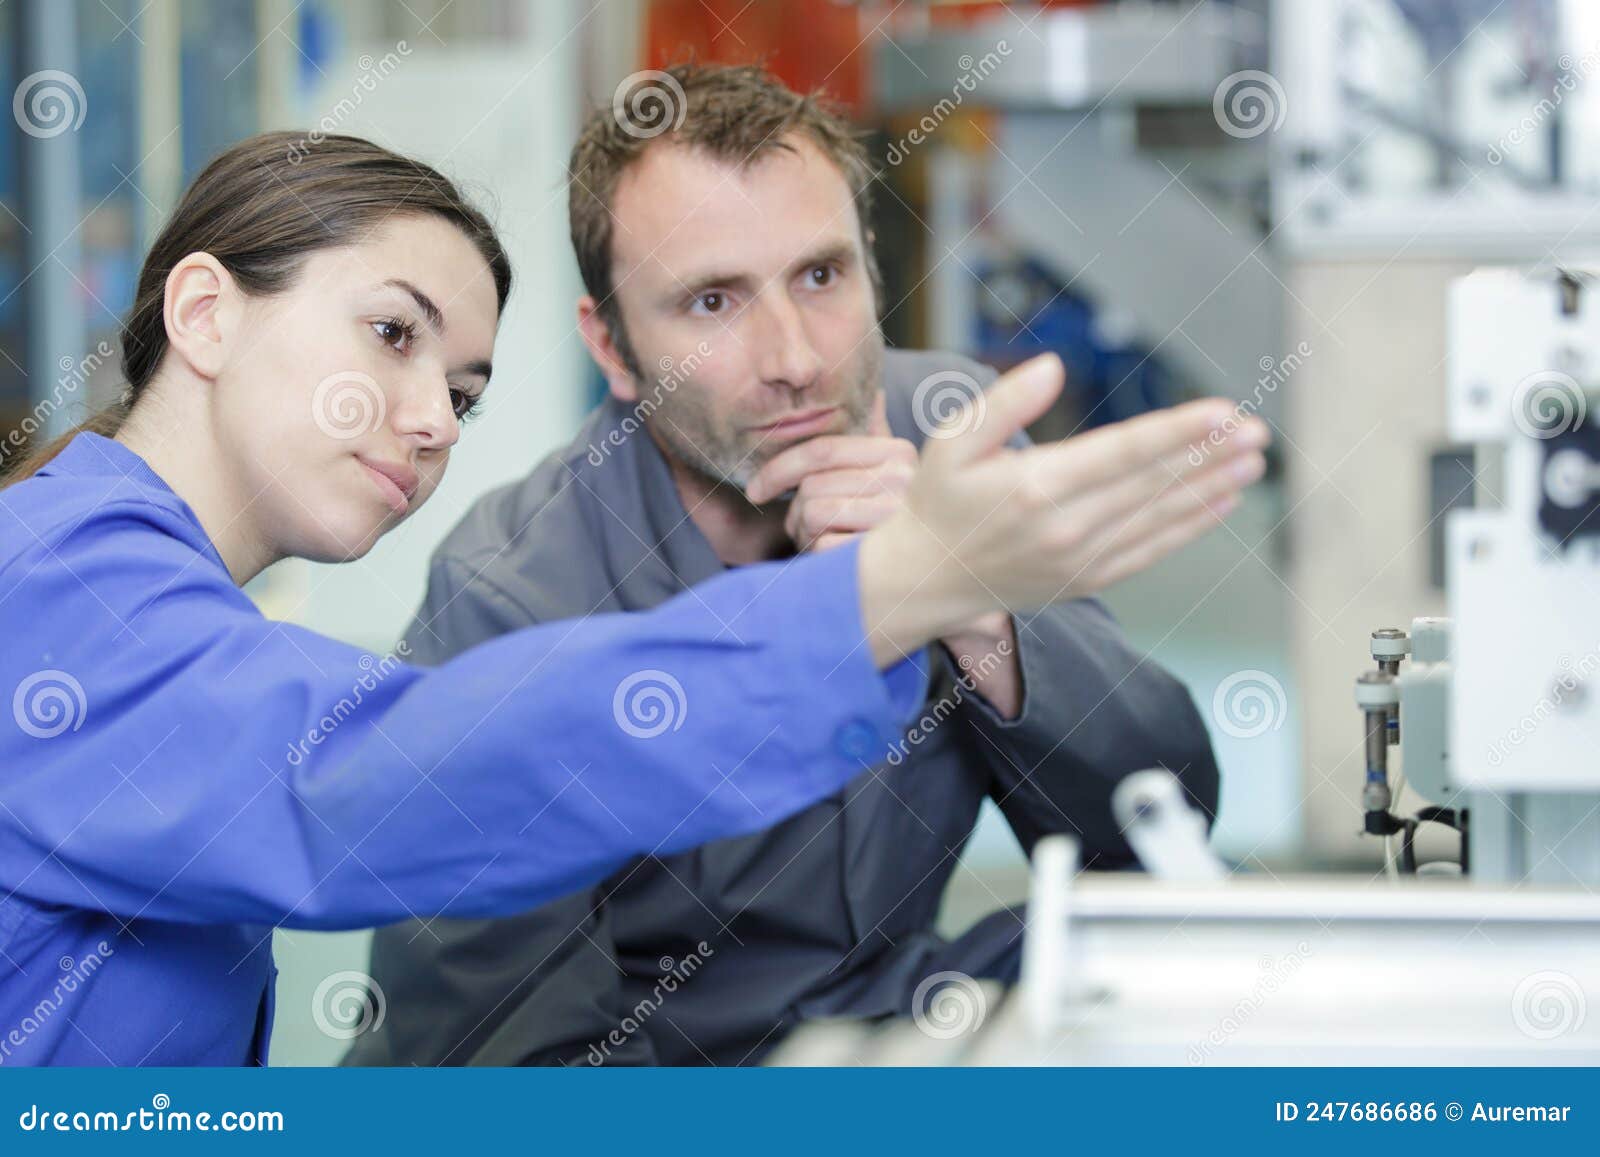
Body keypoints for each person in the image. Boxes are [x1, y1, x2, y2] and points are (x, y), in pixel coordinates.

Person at [0, 130, 1266, 1067]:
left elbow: (1154, 819)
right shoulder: (56, 590)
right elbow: (372, 784)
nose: (436, 418)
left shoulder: (134, 588)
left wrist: (975, 611)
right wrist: (884, 597)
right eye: (393, 333)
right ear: (206, 312)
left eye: (467, 386)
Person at [346, 65, 1267, 1068]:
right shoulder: (516, 594)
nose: (793, 357)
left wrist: (970, 609)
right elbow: (504, 1056)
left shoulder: (945, 440)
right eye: (711, 301)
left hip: (890, 1026)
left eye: (820, 277)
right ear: (611, 348)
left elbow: (1162, 817)